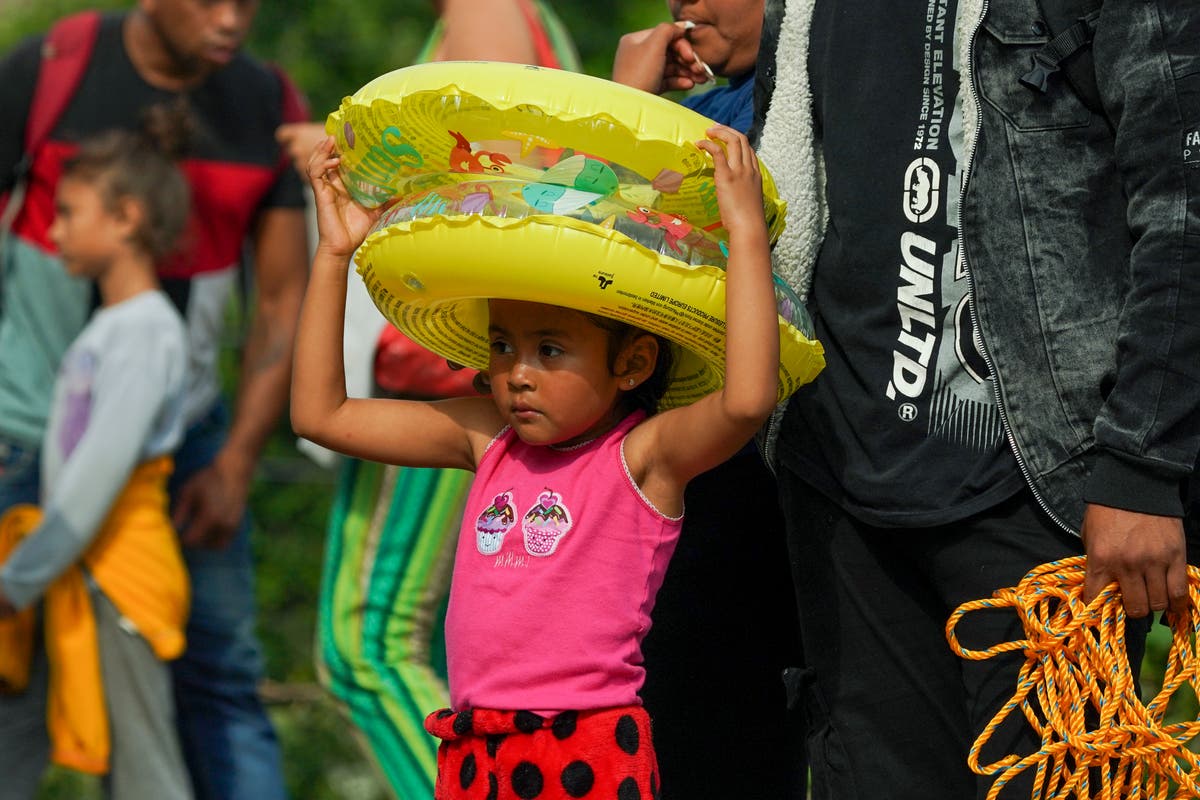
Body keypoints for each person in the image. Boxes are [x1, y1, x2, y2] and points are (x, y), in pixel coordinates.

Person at [754, 0, 1200, 797]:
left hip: (1046, 484)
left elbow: (1183, 206)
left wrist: (1143, 463)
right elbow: (791, 204)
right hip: (842, 488)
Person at [292, 123, 779, 798]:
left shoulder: (643, 459)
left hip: (585, 753)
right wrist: (332, 255)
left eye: (550, 350)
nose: (517, 373)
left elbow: (748, 401)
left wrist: (745, 234)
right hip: (472, 751)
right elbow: (323, 417)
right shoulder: (489, 439)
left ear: (632, 363)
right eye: (501, 346)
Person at [0, 2, 310, 798]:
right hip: (23, 441)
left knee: (204, 690)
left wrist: (238, 460)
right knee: (19, 698)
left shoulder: (264, 105)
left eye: (249, 4)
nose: (233, 20)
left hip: (150, 492)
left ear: (127, 219)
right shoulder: (47, 70)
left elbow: (281, 299)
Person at [611, 3, 807, 798]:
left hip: (753, 487)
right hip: (677, 486)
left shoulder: (790, 109)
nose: (685, 7)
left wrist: (623, 122)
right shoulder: (691, 114)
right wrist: (637, 112)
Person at [0, 104, 192, 800]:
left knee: (145, 774)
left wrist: (17, 578)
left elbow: (96, 477)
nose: (53, 232)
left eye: (69, 212)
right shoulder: (113, 328)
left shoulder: (144, 334)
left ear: (125, 218)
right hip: (86, 571)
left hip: (122, 576)